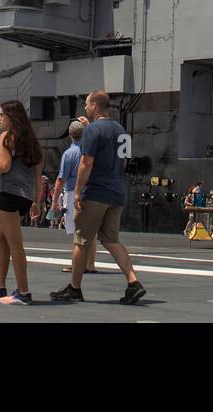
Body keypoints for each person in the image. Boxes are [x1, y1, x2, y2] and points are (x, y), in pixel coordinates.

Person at [51, 90, 146, 305]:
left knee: (81, 240)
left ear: (94, 105)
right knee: (111, 240)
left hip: (95, 192)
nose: (85, 108)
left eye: (87, 104)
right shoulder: (122, 131)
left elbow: (86, 162)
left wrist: (77, 191)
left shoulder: (92, 130)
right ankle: (133, 282)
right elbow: (124, 161)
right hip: (117, 192)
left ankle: (74, 288)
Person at [0, 100, 42, 305]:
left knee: (15, 243)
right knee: (0, 237)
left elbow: (3, 166)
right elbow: (38, 174)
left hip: (8, 193)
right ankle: (0, 287)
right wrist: (37, 202)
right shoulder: (32, 141)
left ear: (12, 117)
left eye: (2, 115)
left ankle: (24, 292)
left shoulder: (6, 137)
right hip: (25, 196)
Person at [53, 121, 98, 274]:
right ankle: (90, 264)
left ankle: (77, 264)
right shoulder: (90, 151)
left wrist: (54, 202)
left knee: (77, 232)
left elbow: (61, 179)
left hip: (73, 192)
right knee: (90, 232)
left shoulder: (69, 154)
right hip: (91, 192)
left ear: (70, 134)